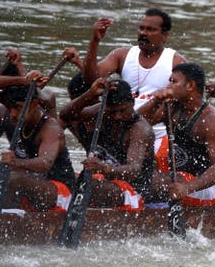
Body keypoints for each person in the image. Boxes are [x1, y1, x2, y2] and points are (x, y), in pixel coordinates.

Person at [82, 10, 187, 168]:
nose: (143, 33)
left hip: (156, 135)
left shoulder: (176, 62)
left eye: (150, 30)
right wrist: (94, 42)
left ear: (164, 35)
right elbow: (91, 79)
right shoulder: (122, 55)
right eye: (141, 28)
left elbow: (178, 107)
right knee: (76, 117)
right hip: (120, 131)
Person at [138, 63, 215, 207]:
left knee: (150, 180)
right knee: (139, 170)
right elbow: (136, 124)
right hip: (176, 178)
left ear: (190, 85)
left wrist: (187, 188)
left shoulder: (211, 120)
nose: (168, 86)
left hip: (203, 188)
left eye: (174, 82)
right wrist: (155, 100)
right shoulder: (172, 107)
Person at [59, 78, 154, 211]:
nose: (117, 116)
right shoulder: (102, 110)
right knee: (62, 177)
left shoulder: (140, 129)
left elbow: (134, 170)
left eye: (122, 110)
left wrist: (104, 168)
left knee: (85, 184)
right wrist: (90, 94)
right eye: (112, 112)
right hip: (101, 182)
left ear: (132, 103)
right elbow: (65, 116)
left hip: (133, 192)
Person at [0, 82, 74, 212]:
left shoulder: (51, 128)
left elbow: (45, 163)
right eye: (10, 108)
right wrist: (22, 79)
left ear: (34, 104)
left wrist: (15, 162)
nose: (13, 114)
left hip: (61, 190)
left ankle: (6, 217)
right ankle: (8, 213)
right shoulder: (13, 119)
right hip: (34, 184)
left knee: (14, 179)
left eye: (17, 107)